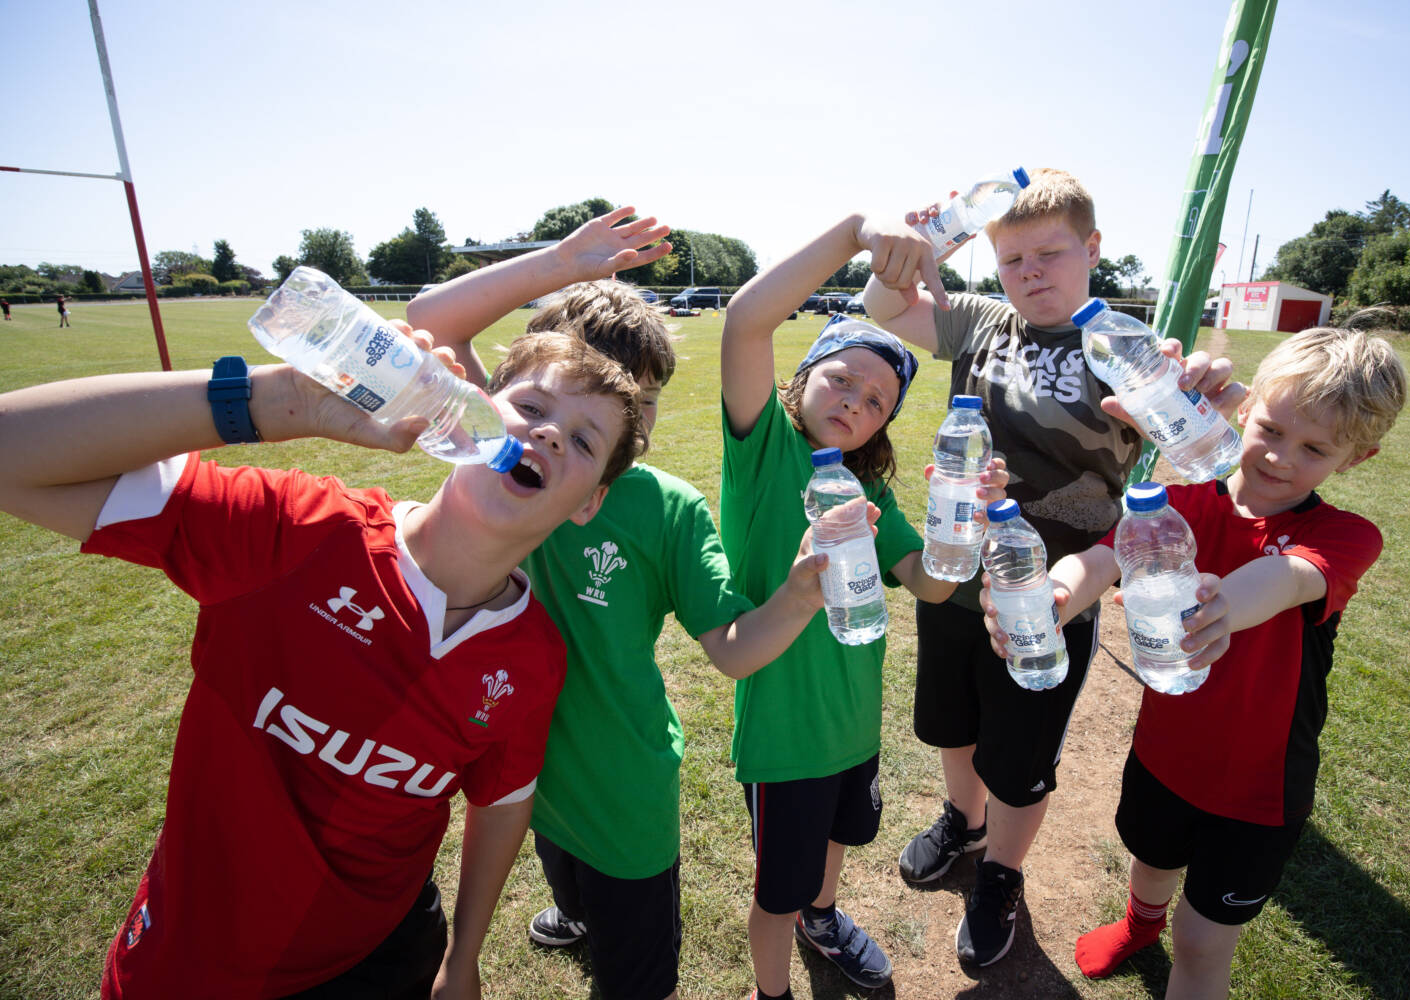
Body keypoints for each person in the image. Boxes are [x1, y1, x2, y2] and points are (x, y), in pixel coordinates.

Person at [0, 324, 650, 998]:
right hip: (190, 965)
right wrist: (282, 401)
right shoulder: (297, 532)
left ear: (590, 502)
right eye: (534, 408)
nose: (547, 435)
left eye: (582, 440)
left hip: (384, 958)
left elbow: (501, 804)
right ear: (471, 406)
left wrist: (463, 957)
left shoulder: (533, 659)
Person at [412, 207, 829, 1000]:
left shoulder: (666, 507)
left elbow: (733, 645)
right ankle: (573, 913)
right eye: (584, 389)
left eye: (642, 400)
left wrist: (801, 594)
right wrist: (560, 266)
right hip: (520, 780)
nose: (627, 418)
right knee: (566, 884)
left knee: (634, 977)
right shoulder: (501, 447)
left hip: (618, 791)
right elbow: (430, 319)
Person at [861, 167, 1243, 969]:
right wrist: (920, 244)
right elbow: (887, 309)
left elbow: (1198, 444)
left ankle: (1000, 873)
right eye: (1012, 260)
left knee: (1021, 750)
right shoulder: (981, 322)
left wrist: (1209, 394)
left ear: (1092, 249)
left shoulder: (1128, 347)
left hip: (1055, 598)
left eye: (1050, 254)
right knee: (954, 723)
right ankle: (960, 824)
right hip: (958, 572)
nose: (1030, 273)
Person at [979, 326, 1408, 998]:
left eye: (1315, 448)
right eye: (1270, 427)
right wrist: (1054, 595)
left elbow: (1289, 580)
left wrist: (1220, 606)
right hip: (1163, 753)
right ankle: (1138, 925)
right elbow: (1099, 560)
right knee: (1150, 863)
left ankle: (1171, 942)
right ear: (1246, 406)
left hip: (1258, 792)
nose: (1280, 457)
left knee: (1203, 946)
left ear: (1355, 459)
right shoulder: (1173, 507)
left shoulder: (1346, 536)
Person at [720, 213, 1007, 999]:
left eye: (876, 399)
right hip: (784, 734)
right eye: (840, 378)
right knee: (775, 889)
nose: (853, 400)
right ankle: (772, 991)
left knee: (840, 838)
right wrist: (854, 235)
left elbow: (933, 582)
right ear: (803, 376)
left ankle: (826, 916)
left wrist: (965, 519)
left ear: (884, 424)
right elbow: (748, 320)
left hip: (852, 722)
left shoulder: (870, 487)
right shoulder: (763, 453)